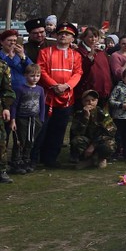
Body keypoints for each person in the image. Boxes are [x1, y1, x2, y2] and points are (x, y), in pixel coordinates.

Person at [37, 22, 82, 168]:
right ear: (56, 35)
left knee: (59, 129)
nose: (63, 35)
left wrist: (67, 86)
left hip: (67, 98)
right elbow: (41, 70)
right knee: (42, 129)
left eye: (67, 34)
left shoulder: (76, 55)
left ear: (72, 39)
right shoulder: (45, 52)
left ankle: (51, 158)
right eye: (61, 33)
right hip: (48, 97)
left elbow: (78, 73)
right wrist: (54, 85)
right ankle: (36, 157)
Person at [10, 64, 45, 174]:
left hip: (34, 119)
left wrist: (41, 119)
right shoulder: (20, 89)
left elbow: (42, 105)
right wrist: (13, 119)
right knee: (20, 141)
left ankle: (26, 160)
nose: (35, 78)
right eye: (32, 76)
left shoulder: (40, 89)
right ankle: (16, 162)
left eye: (38, 76)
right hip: (22, 119)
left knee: (30, 141)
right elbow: (14, 105)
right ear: (25, 75)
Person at [70, 89, 117, 169]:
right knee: (76, 141)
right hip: (87, 140)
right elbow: (75, 133)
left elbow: (111, 132)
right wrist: (86, 117)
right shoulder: (79, 114)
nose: (90, 103)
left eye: (93, 100)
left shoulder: (103, 113)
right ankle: (88, 160)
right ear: (83, 102)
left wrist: (93, 145)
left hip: (99, 141)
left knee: (109, 144)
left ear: (97, 101)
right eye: (87, 100)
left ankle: (101, 158)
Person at [0, 58, 13, 183]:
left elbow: (7, 90)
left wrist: (6, 107)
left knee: (1, 141)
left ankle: (1, 171)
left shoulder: (2, 66)